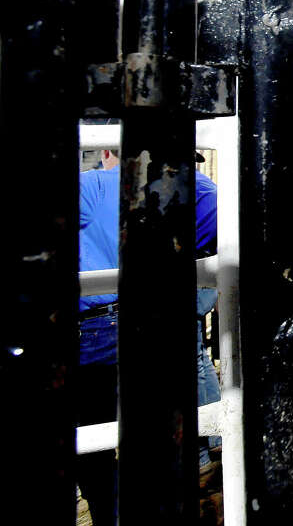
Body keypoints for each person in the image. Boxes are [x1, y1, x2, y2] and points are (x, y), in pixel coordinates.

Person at [77, 149, 220, 526]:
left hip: (97, 325)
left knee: (95, 445)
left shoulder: (94, 185)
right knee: (159, 415)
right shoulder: (186, 186)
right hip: (148, 312)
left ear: (108, 150)